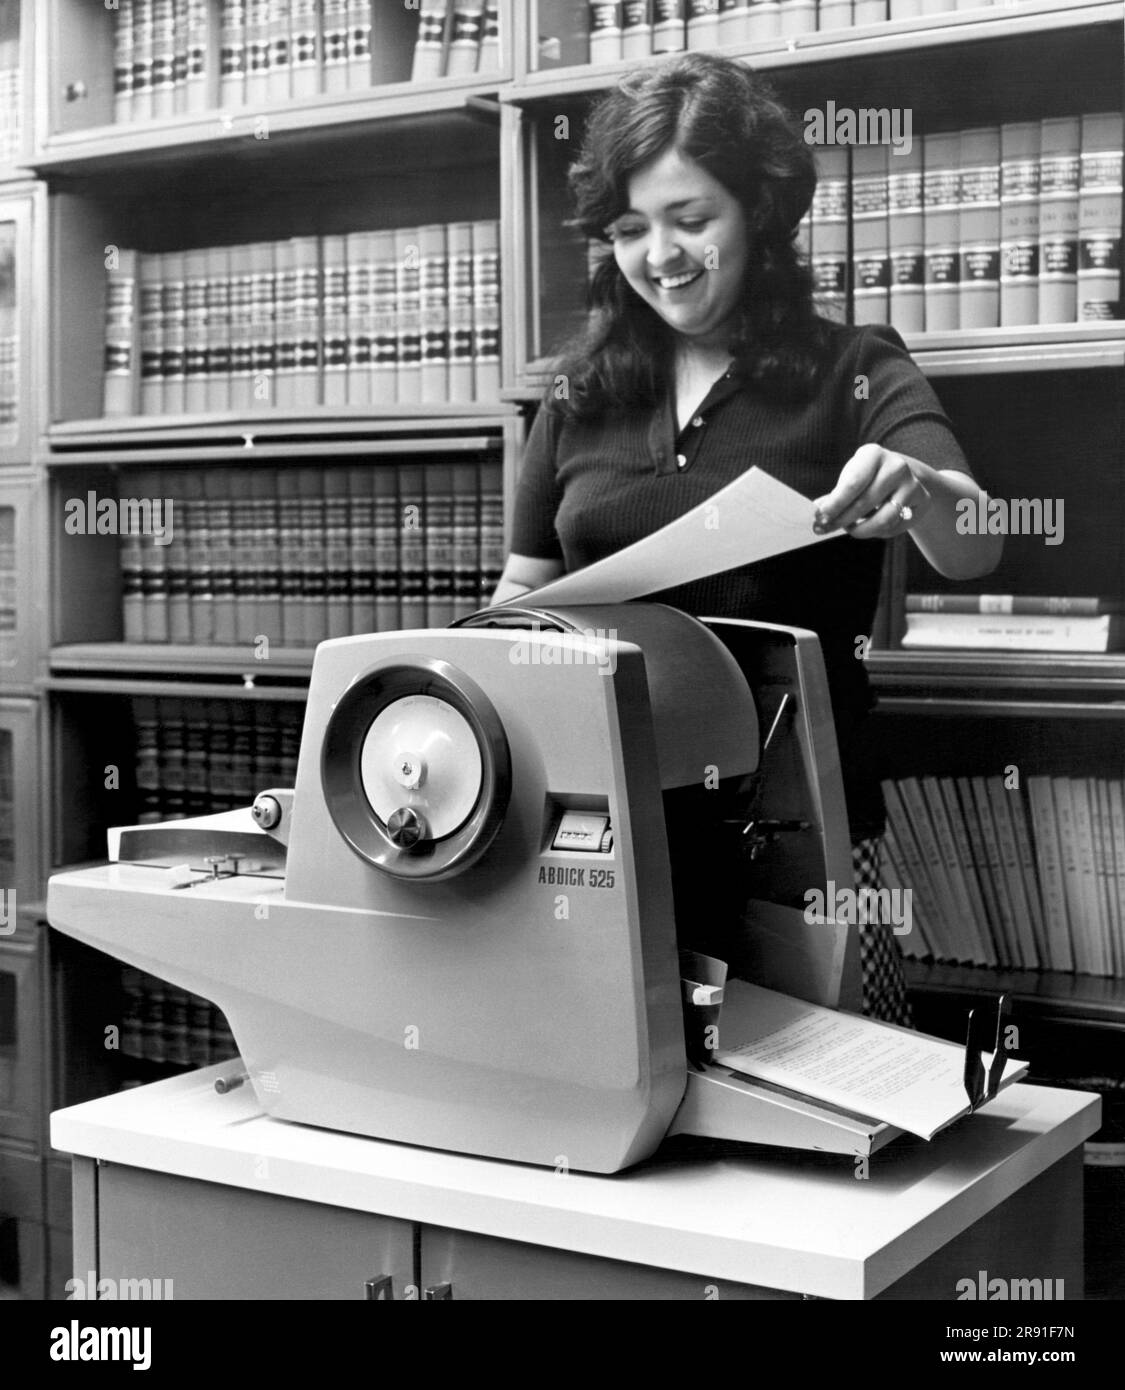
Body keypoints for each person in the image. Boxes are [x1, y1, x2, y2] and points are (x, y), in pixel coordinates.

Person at [491, 53, 1002, 1023]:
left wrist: (919, 488)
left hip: (800, 842)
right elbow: (519, 597)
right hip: (600, 836)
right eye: (630, 229)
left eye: (691, 219)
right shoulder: (576, 394)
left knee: (822, 1097)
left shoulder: (851, 366)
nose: (660, 255)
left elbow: (974, 540)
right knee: (624, 1095)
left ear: (760, 213)